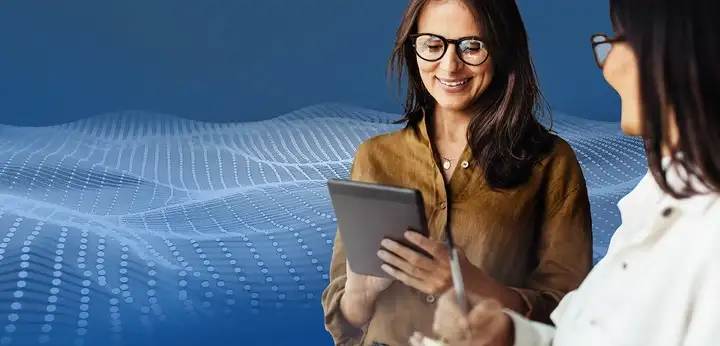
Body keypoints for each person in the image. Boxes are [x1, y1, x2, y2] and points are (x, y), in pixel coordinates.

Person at [413, 0, 720, 345]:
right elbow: (581, 335)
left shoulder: (552, 163)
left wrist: (490, 293)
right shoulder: (653, 202)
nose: (608, 65)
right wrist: (509, 335)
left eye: (620, 39)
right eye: (432, 45)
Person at [321, 0, 595, 345]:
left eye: (473, 46)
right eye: (433, 45)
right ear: (413, 48)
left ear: (502, 49)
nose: (450, 66)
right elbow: (345, 323)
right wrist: (360, 294)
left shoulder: (552, 163)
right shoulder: (374, 157)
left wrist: (472, 285)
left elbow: (574, 315)